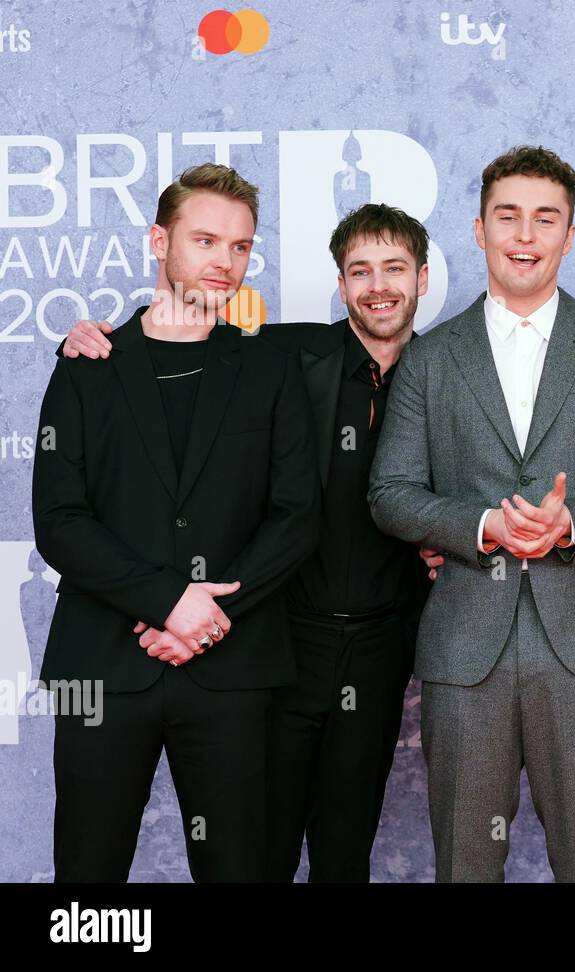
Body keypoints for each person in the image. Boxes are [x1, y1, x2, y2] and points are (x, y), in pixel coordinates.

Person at [61, 203, 437, 883]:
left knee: (343, 852)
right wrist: (96, 339)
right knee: (254, 855)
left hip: (381, 646)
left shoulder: (452, 372)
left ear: (424, 277)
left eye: (394, 269)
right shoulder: (282, 353)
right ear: (342, 282)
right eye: (360, 270)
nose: (378, 285)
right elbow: (180, 335)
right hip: (279, 638)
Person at [367, 145, 575, 882]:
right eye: (509, 217)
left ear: (570, 236)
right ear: (478, 230)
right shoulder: (431, 358)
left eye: (546, 219)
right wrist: (483, 528)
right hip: (467, 645)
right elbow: (390, 492)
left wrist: (570, 523)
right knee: (466, 864)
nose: (526, 236)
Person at [32, 163, 320, 881]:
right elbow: (59, 521)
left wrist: (208, 616)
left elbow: (296, 517)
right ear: (159, 241)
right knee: (87, 879)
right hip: (101, 668)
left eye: (241, 247)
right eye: (205, 240)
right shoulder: (87, 363)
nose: (225, 262)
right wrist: (169, 602)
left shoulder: (270, 368)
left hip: (230, 669)